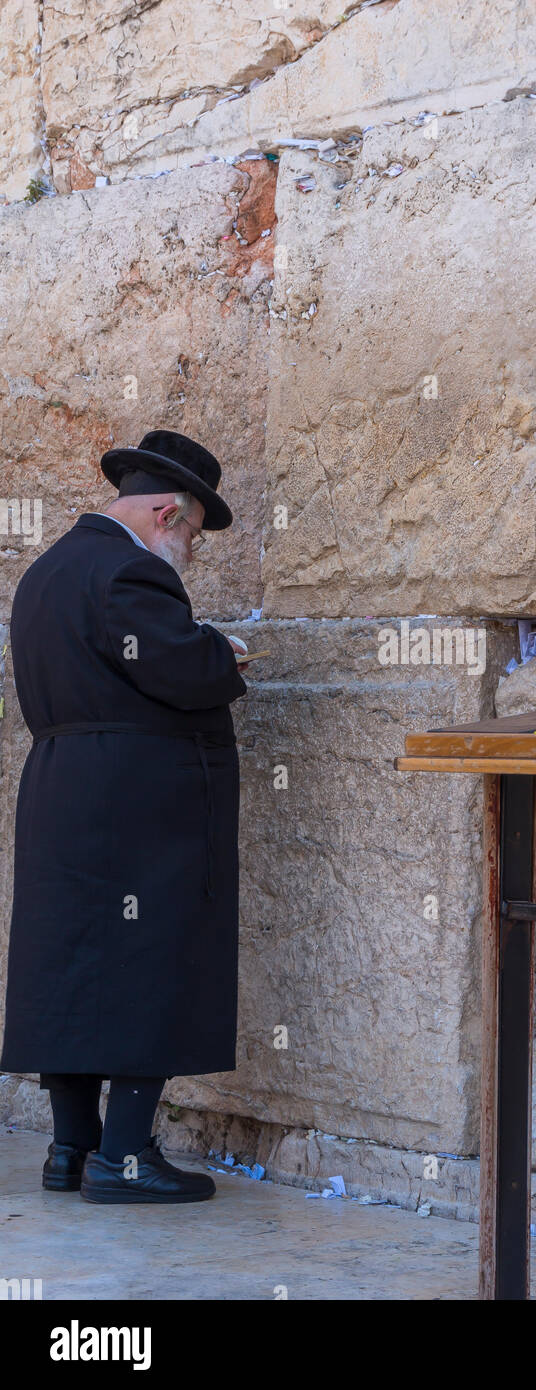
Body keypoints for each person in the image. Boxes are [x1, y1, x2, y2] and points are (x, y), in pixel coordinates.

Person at [0, 430, 250, 1204]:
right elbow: (174, 666)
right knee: (155, 954)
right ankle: (125, 1159)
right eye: (192, 537)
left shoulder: (45, 572)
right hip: (139, 796)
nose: (189, 554)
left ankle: (70, 1150)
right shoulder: (129, 570)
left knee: (68, 958)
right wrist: (223, 652)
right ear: (167, 510)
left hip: (62, 785)